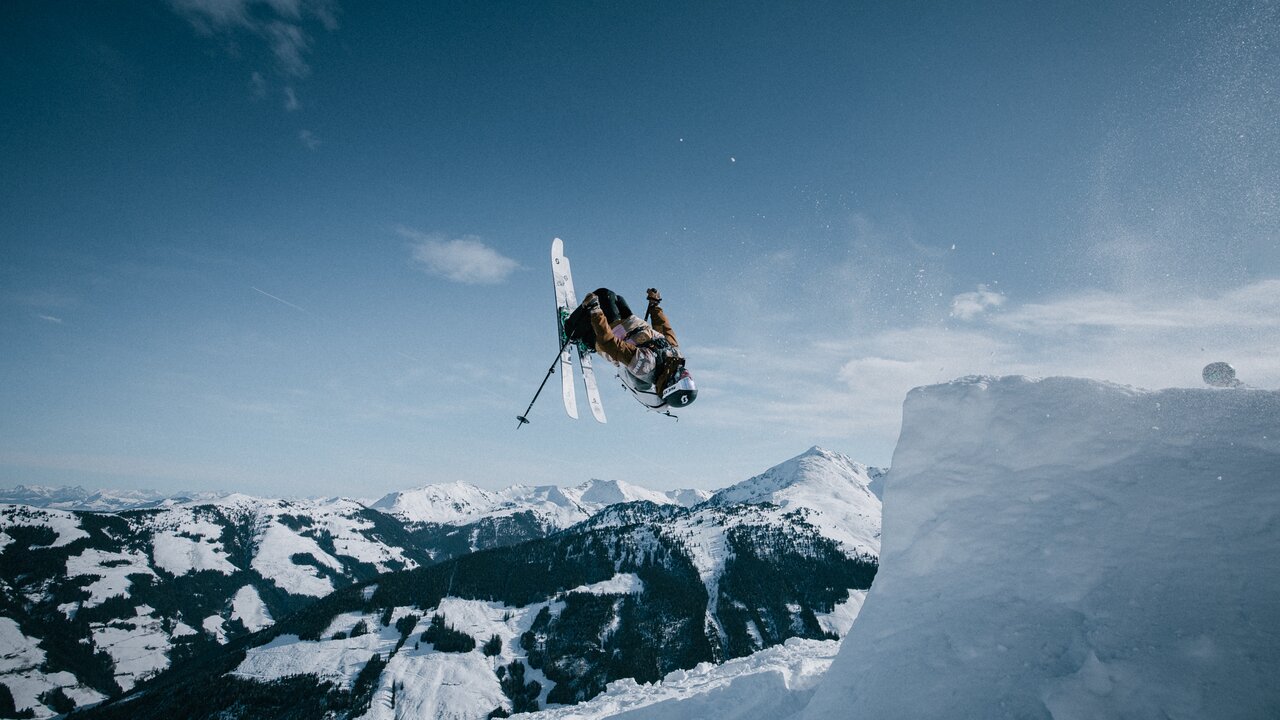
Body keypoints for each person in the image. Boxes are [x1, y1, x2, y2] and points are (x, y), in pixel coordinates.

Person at [562, 287, 697, 408]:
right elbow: (663, 328)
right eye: (690, 382)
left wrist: (595, 310)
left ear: (670, 386)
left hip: (612, 332)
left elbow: (608, 343)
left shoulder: (646, 364)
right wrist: (654, 305)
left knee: (604, 295)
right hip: (631, 324)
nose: (687, 376)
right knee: (617, 298)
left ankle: (571, 330)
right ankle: (587, 324)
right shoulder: (675, 357)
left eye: (685, 383)